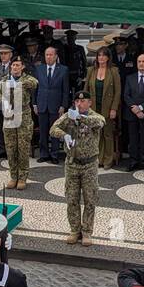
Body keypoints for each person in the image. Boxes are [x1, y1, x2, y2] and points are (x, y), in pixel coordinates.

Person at [51, 90, 104, 245]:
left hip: (89, 165)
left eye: (83, 101)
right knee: (72, 198)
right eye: (77, 102)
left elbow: (99, 123)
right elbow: (53, 129)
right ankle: (75, 230)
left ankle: (87, 232)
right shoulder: (69, 116)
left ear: (90, 103)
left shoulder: (95, 116)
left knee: (90, 199)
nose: (80, 104)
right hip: (72, 164)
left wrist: (80, 118)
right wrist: (64, 135)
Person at [0, 56, 37, 190]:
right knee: (10, 148)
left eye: (18, 65)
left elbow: (34, 83)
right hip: (9, 117)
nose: (15, 67)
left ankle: (22, 177)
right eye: (13, 65)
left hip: (23, 118)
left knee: (23, 148)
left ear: (22, 67)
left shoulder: (27, 79)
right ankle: (13, 176)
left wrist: (18, 84)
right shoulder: (5, 80)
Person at [84, 46, 121, 168]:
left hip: (108, 107)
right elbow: (86, 90)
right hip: (94, 107)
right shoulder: (91, 70)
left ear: (108, 57)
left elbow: (117, 92)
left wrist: (114, 108)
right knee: (96, 133)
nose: (101, 58)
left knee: (107, 134)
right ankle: (98, 159)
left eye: (104, 55)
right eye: (99, 55)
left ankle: (108, 160)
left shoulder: (114, 71)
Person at [34, 44, 70, 165]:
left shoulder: (63, 70)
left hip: (56, 104)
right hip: (42, 103)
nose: (48, 57)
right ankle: (44, 154)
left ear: (55, 56)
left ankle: (54, 154)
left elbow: (66, 90)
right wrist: (34, 104)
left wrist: (63, 105)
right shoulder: (39, 69)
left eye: (51, 55)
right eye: (47, 55)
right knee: (43, 131)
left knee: (55, 130)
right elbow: (35, 88)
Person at [122, 52, 144, 173]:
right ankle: (133, 161)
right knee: (133, 139)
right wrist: (134, 108)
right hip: (132, 113)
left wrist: (141, 108)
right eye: (139, 61)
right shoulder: (130, 78)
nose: (141, 64)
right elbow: (126, 95)